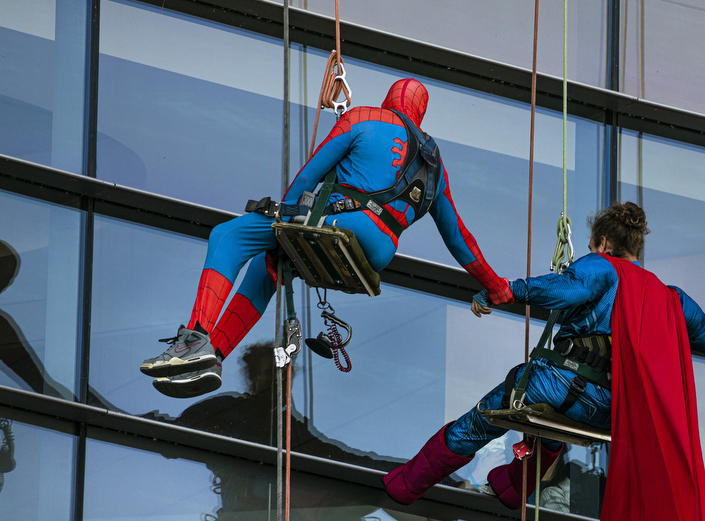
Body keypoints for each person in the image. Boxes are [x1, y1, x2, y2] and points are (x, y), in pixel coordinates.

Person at [383, 201, 705, 521]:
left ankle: (403, 486)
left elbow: (563, 289)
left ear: (603, 242)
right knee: (552, 430)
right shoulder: (670, 298)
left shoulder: (600, 266)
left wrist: (506, 290)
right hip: (613, 412)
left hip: (562, 383)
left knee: (481, 421)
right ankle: (511, 489)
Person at [139, 78, 512, 398]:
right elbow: (459, 240)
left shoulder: (366, 117)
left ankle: (196, 336)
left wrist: (286, 215)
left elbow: (308, 176)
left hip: (340, 220)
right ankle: (212, 358)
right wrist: (495, 287)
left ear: (389, 101)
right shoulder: (436, 166)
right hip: (378, 251)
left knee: (228, 236)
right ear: (421, 113)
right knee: (265, 270)